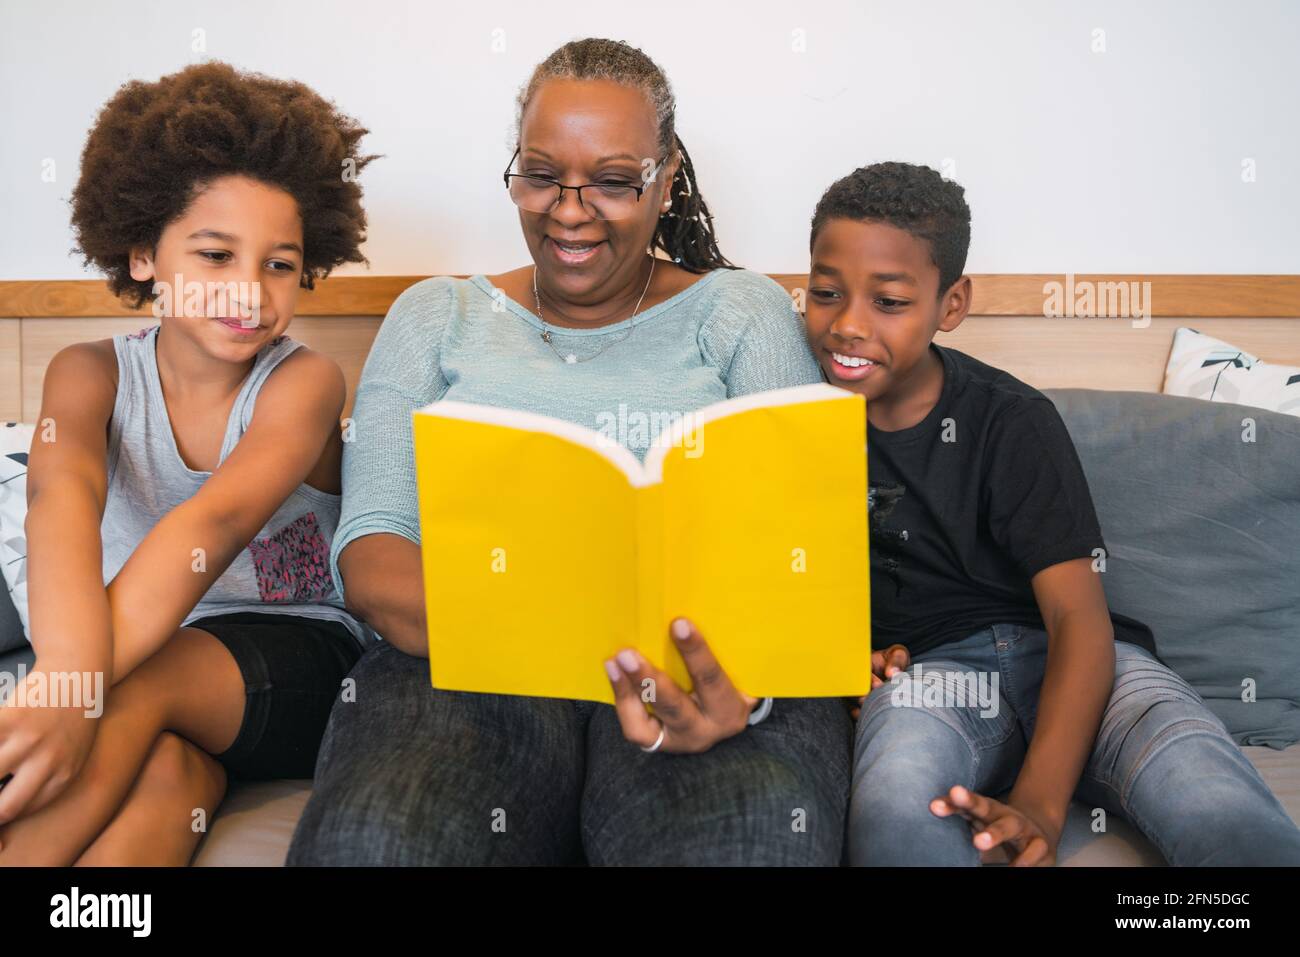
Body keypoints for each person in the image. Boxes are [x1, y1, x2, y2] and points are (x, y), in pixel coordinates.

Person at [287, 38, 851, 866]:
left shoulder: (742, 312)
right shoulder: (433, 317)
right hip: (461, 667)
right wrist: (564, 630)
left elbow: (800, 554)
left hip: (701, 677)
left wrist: (745, 692)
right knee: (378, 840)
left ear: (664, 184)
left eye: (615, 181)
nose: (570, 209)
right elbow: (372, 554)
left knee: (749, 837)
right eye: (542, 174)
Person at [802, 160, 1300, 865]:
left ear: (951, 304)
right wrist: (848, 661)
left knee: (1214, 803)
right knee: (892, 812)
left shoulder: (1010, 420)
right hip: (932, 678)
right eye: (826, 292)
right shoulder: (788, 424)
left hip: (1081, 661)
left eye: (888, 301)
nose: (847, 325)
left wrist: (1037, 801)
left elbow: (1078, 621)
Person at [0, 62, 374, 865]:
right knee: (169, 778)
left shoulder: (303, 382)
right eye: (215, 256)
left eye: (278, 264)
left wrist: (78, 689)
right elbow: (58, 503)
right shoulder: (87, 371)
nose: (249, 291)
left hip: (300, 657)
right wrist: (64, 675)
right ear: (142, 254)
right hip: (154, 661)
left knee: (135, 691)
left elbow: (214, 519)